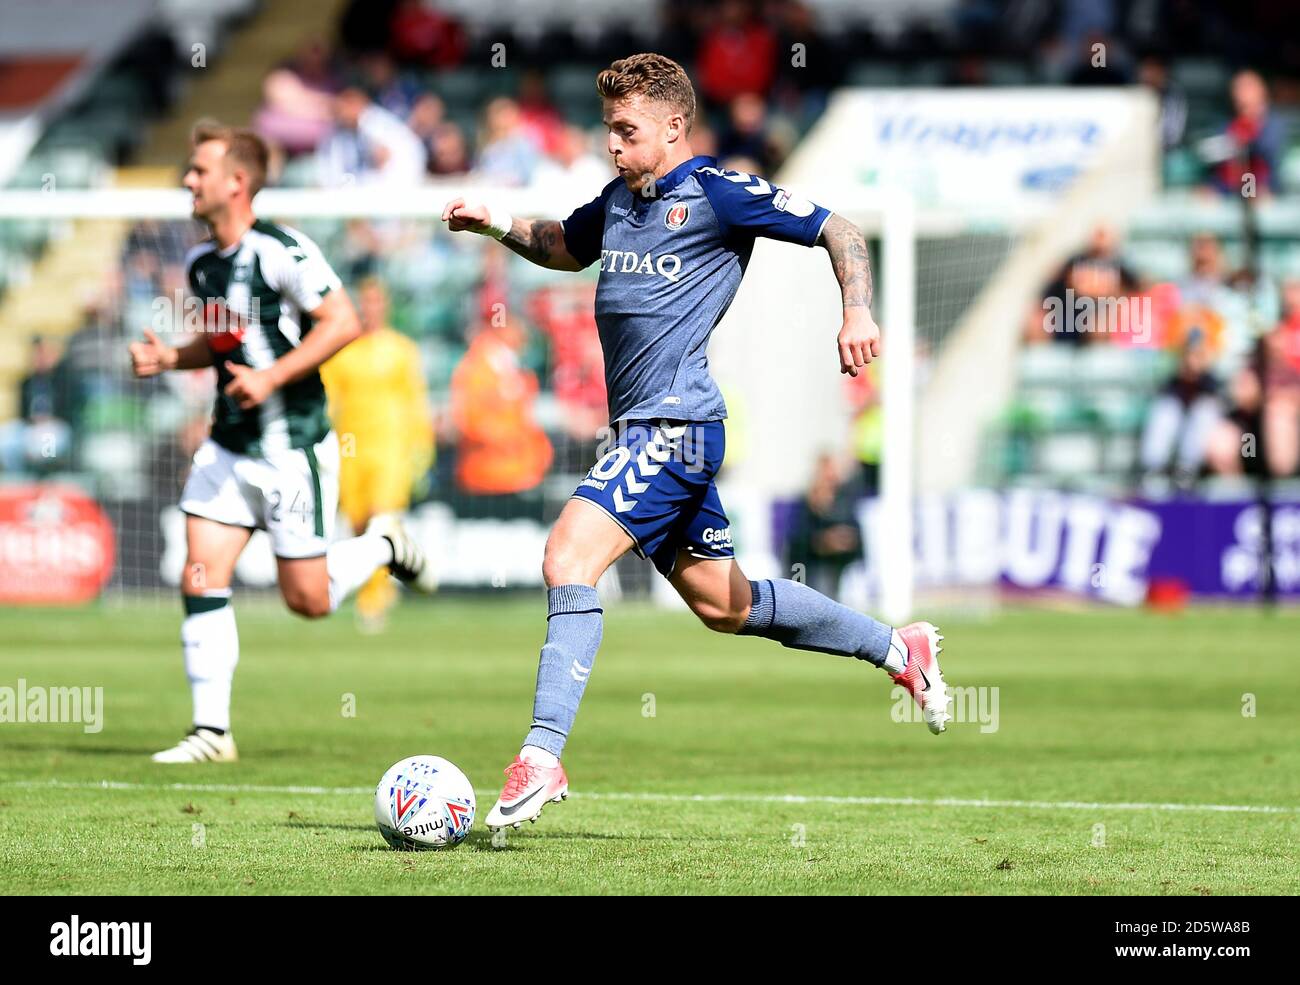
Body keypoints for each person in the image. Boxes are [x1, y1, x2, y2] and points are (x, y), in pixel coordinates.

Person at [442, 53, 952, 833]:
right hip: (643, 429)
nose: (612, 145)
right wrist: (496, 224)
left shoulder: (717, 192)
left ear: (674, 126)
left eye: (627, 130)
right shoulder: (618, 202)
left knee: (567, 558)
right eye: (608, 129)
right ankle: (896, 647)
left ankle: (541, 756)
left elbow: (838, 229)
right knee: (728, 603)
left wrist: (856, 312)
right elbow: (559, 244)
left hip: (676, 428)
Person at [128, 120, 435, 763]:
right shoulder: (200, 263)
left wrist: (272, 377)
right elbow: (223, 345)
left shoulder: (281, 249)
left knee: (309, 601)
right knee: (201, 571)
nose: (188, 180)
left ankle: (384, 541)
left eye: (199, 171)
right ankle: (211, 732)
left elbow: (343, 321)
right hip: (227, 444)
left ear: (236, 183)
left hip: (290, 446)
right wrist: (171, 358)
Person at [320, 277, 434, 633]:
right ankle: (373, 590)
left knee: (381, 518)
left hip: (390, 449)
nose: (370, 308)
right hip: (350, 448)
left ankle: (375, 601)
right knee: (357, 524)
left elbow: (415, 402)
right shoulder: (341, 351)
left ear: (383, 306)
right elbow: (328, 401)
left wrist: (421, 448)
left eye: (375, 301)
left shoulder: (401, 350)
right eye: (364, 302)